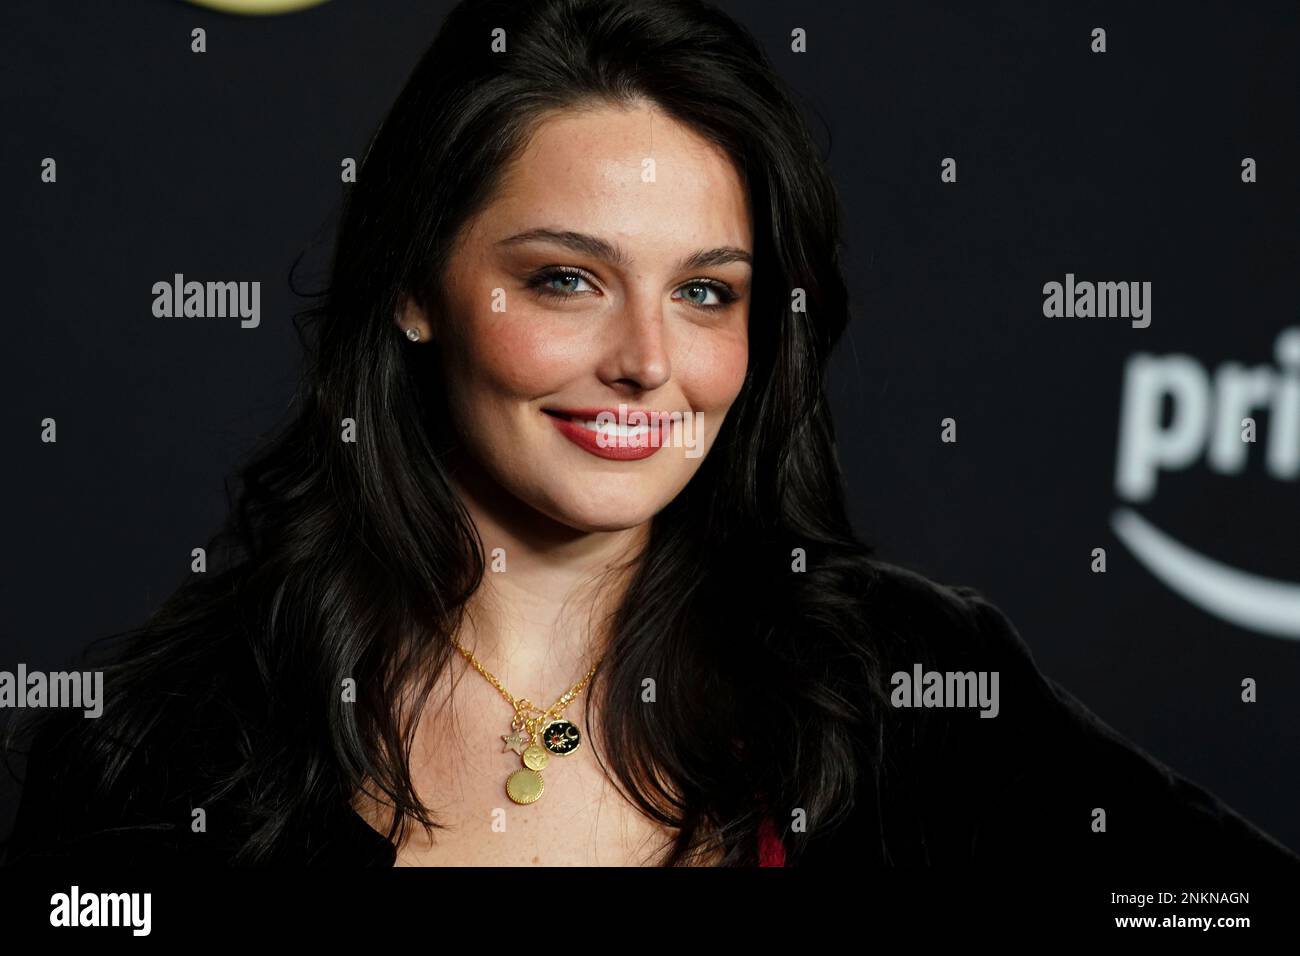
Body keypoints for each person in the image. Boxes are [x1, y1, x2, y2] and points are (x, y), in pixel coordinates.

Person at [2, 0, 1296, 871]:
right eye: (566, 277)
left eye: (706, 291)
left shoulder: (902, 684)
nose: (649, 360)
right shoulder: (163, 745)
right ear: (412, 289)